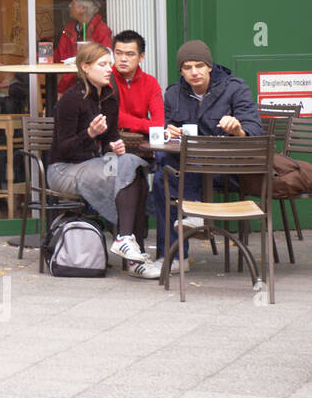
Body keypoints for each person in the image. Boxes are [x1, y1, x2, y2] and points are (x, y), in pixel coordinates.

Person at [150, 41, 264, 266]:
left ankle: (178, 243)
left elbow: (255, 131)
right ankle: (175, 256)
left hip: (227, 169)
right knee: (162, 174)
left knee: (168, 176)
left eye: (199, 66)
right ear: (181, 71)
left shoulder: (235, 88)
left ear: (210, 66)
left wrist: (238, 129)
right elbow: (167, 128)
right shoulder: (174, 93)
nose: (194, 72)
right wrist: (169, 131)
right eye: (187, 67)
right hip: (189, 168)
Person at [48, 43, 155, 277]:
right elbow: (62, 149)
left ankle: (130, 247)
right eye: (103, 64)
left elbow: (111, 140)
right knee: (128, 168)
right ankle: (130, 250)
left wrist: (114, 145)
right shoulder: (71, 99)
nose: (110, 69)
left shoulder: (109, 98)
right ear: (85, 68)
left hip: (94, 165)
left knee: (135, 170)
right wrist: (90, 134)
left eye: (109, 64)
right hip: (64, 170)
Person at [55, 0, 113, 94]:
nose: (69, 5)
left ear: (83, 8)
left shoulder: (101, 31)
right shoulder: (69, 29)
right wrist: (37, 57)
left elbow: (105, 60)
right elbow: (58, 56)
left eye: (73, 3)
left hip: (90, 87)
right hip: (67, 86)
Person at [111, 29, 164, 138]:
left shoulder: (151, 82)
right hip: (112, 144)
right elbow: (114, 117)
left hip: (143, 145)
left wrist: (152, 127)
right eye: (118, 53)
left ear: (141, 57)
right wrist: (149, 126)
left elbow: (159, 122)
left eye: (130, 54)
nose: (123, 59)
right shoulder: (105, 78)